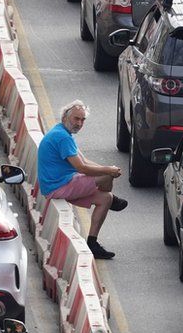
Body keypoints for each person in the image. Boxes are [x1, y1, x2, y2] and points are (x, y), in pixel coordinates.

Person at [38, 100, 128, 259]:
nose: (79, 123)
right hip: (58, 187)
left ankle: (92, 243)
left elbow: (85, 162)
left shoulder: (63, 132)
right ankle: (113, 198)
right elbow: (82, 168)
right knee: (106, 180)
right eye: (76, 119)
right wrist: (108, 172)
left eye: (82, 120)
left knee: (105, 198)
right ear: (65, 117)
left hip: (63, 182)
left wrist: (107, 169)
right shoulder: (62, 138)